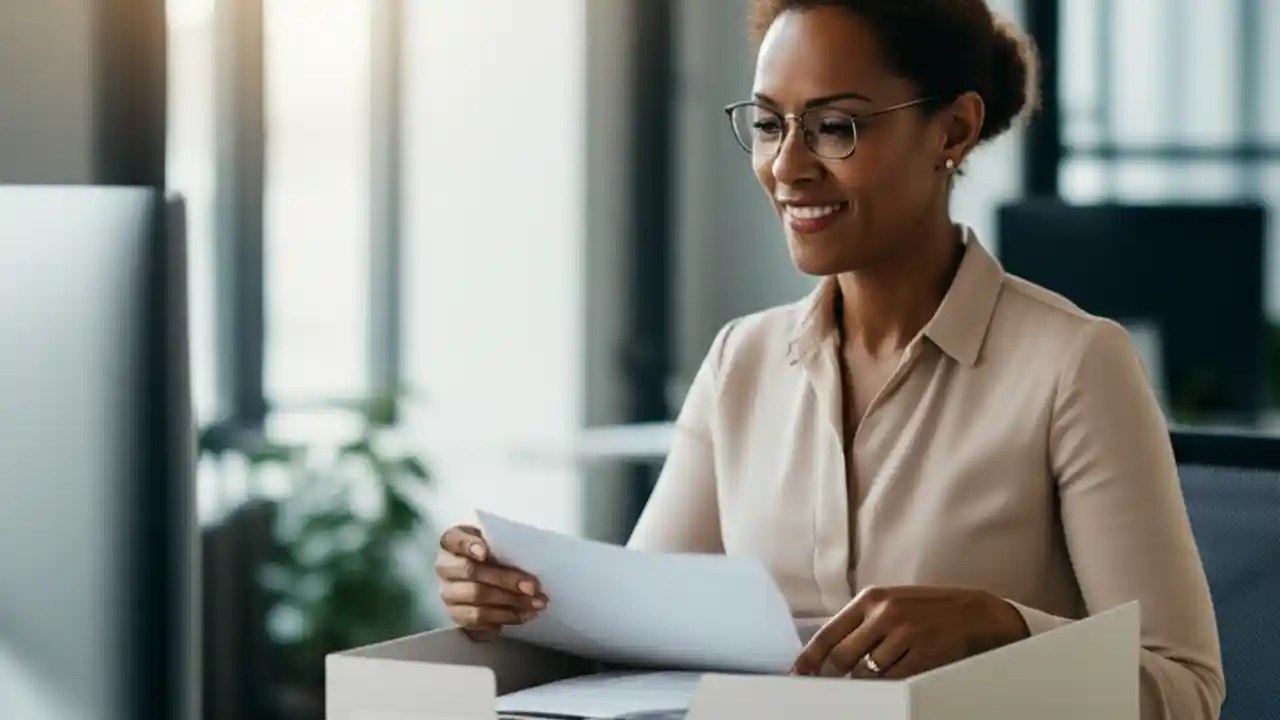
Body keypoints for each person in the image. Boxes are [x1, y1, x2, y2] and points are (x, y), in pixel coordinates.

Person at [436, 1, 1224, 717]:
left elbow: (1184, 690)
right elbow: (642, 634)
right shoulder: (741, 362)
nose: (788, 167)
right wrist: (512, 601)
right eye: (771, 124)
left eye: (836, 127)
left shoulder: (1075, 365)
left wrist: (1001, 627)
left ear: (950, 132)